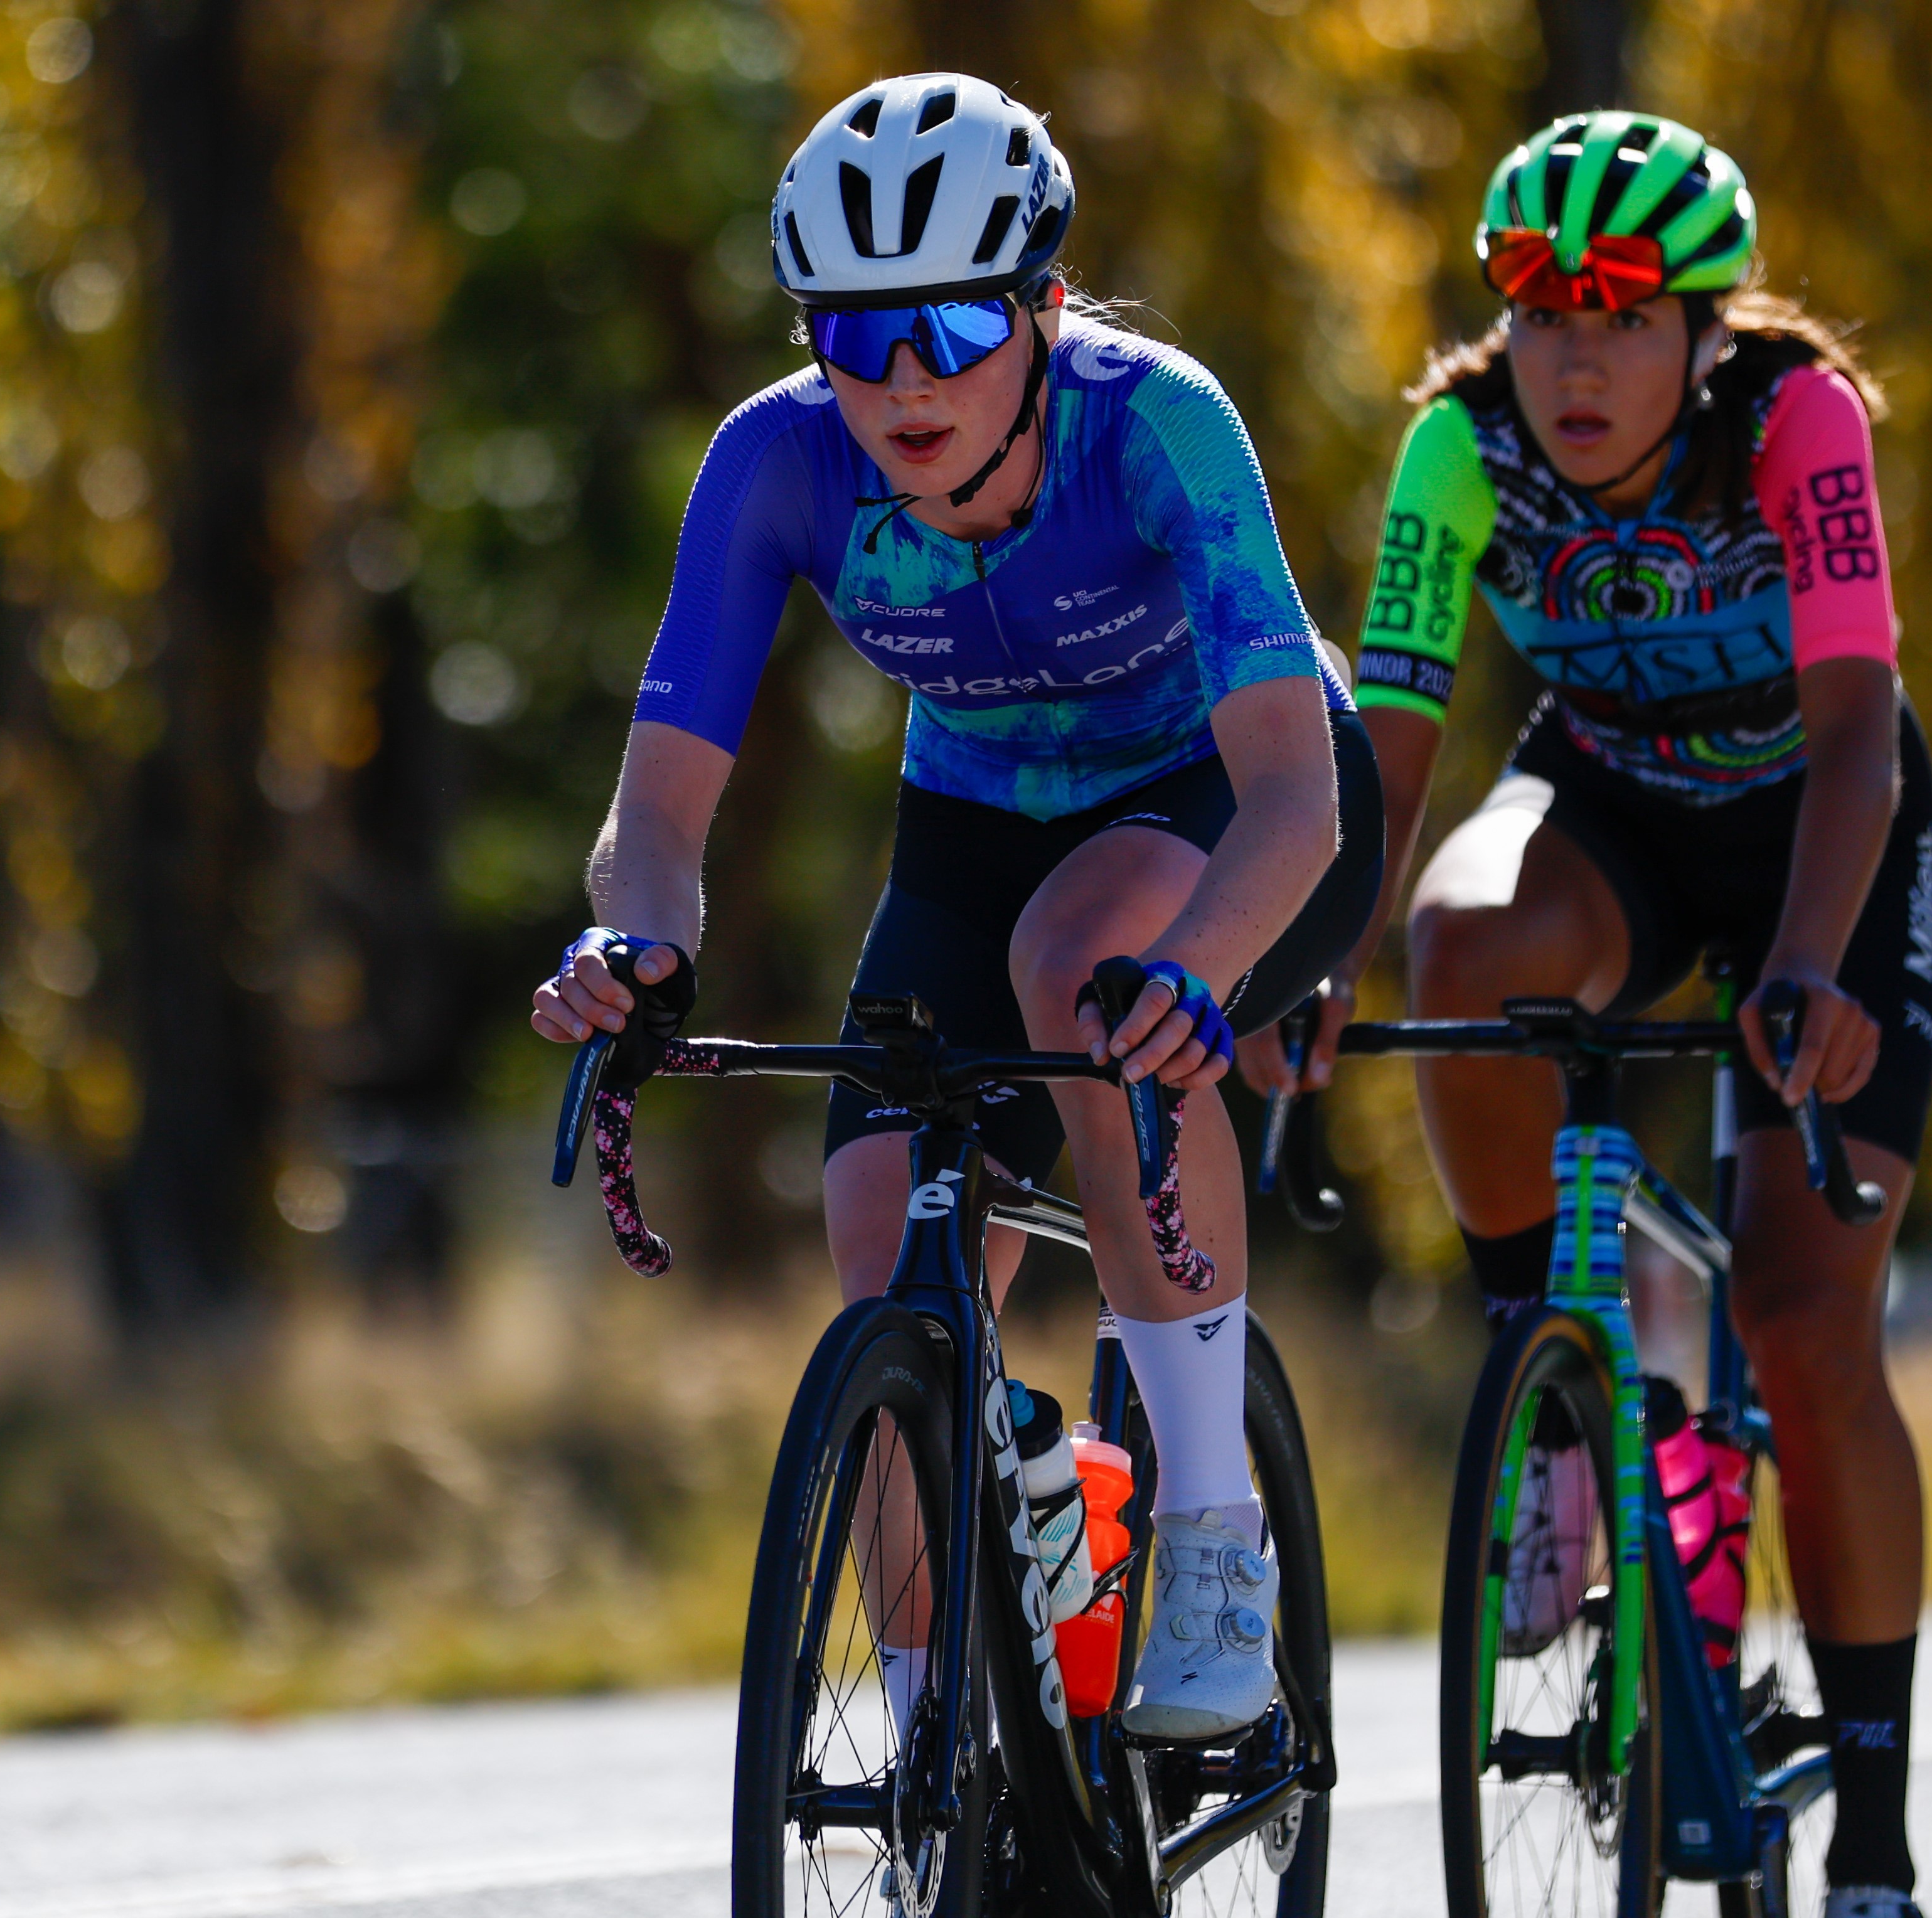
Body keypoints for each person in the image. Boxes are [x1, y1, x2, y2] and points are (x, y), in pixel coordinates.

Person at [529, 73, 1380, 1745]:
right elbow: (662, 801)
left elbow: (1294, 796)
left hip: (1229, 808)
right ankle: (942, 1734)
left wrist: (1200, 975)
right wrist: (636, 943)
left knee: (1087, 966)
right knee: (884, 1251)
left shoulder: (1153, 422)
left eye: (949, 321)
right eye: (855, 335)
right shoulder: (773, 461)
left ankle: (1214, 1538)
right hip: (976, 822)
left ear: (1043, 309)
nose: (903, 377)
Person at [1239, 112, 1932, 1917]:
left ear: (1706, 332)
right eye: (1541, 312)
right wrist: (1313, 951)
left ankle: (1868, 1825)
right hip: (1610, 810)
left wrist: (1802, 966)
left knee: (1797, 1317)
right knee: (1457, 944)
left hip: (1819, 828)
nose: (1575, 356)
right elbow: (1384, 755)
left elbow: (1860, 725)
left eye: (1624, 314)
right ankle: (1551, 1393)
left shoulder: (1796, 422)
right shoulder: (1458, 452)